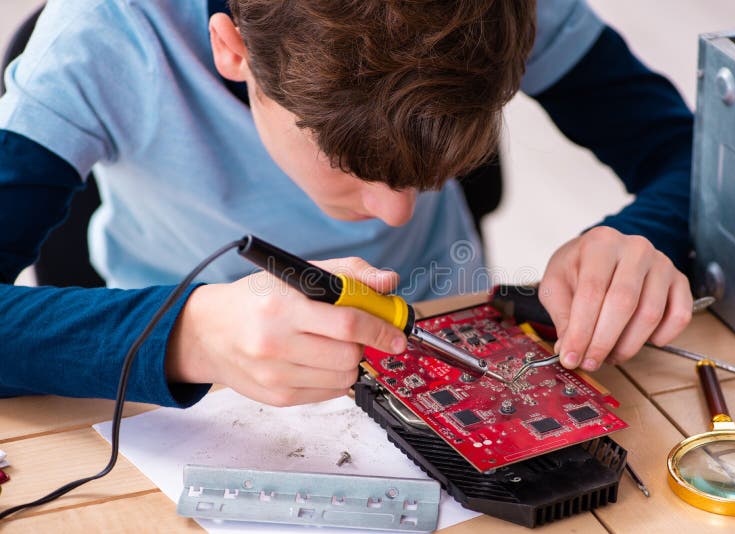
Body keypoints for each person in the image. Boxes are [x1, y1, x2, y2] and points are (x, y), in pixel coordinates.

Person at [0, 0, 693, 409]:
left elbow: (691, 152)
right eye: (347, 163)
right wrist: (190, 335)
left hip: (440, 326)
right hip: (188, 380)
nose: (396, 213)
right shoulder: (105, 33)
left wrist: (639, 236)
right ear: (231, 49)